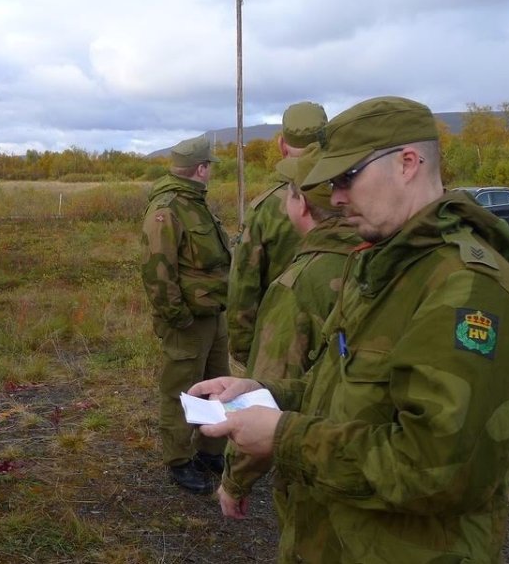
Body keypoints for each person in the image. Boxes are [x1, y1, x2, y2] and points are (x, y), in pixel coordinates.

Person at [191, 96, 509, 562]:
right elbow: (354, 395)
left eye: (347, 178)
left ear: (407, 163)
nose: (336, 198)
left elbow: (438, 469)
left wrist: (284, 436)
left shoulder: (468, 294)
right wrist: (266, 393)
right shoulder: (385, 267)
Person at [217, 143, 359, 522]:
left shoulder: (300, 286)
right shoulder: (378, 256)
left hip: (326, 480)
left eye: (291, 193)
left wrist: (235, 479)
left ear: (299, 205)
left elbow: (270, 396)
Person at [140, 136, 232, 494]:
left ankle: (210, 450)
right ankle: (178, 460)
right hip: (188, 321)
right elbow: (157, 272)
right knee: (181, 391)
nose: (211, 171)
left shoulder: (197, 203)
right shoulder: (168, 208)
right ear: (201, 168)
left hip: (213, 316)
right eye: (210, 166)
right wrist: (179, 319)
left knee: (217, 385)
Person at [226, 101, 327, 366]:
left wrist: (243, 354)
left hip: (279, 347)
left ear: (282, 145)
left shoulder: (265, 208)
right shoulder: (357, 197)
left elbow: (243, 287)